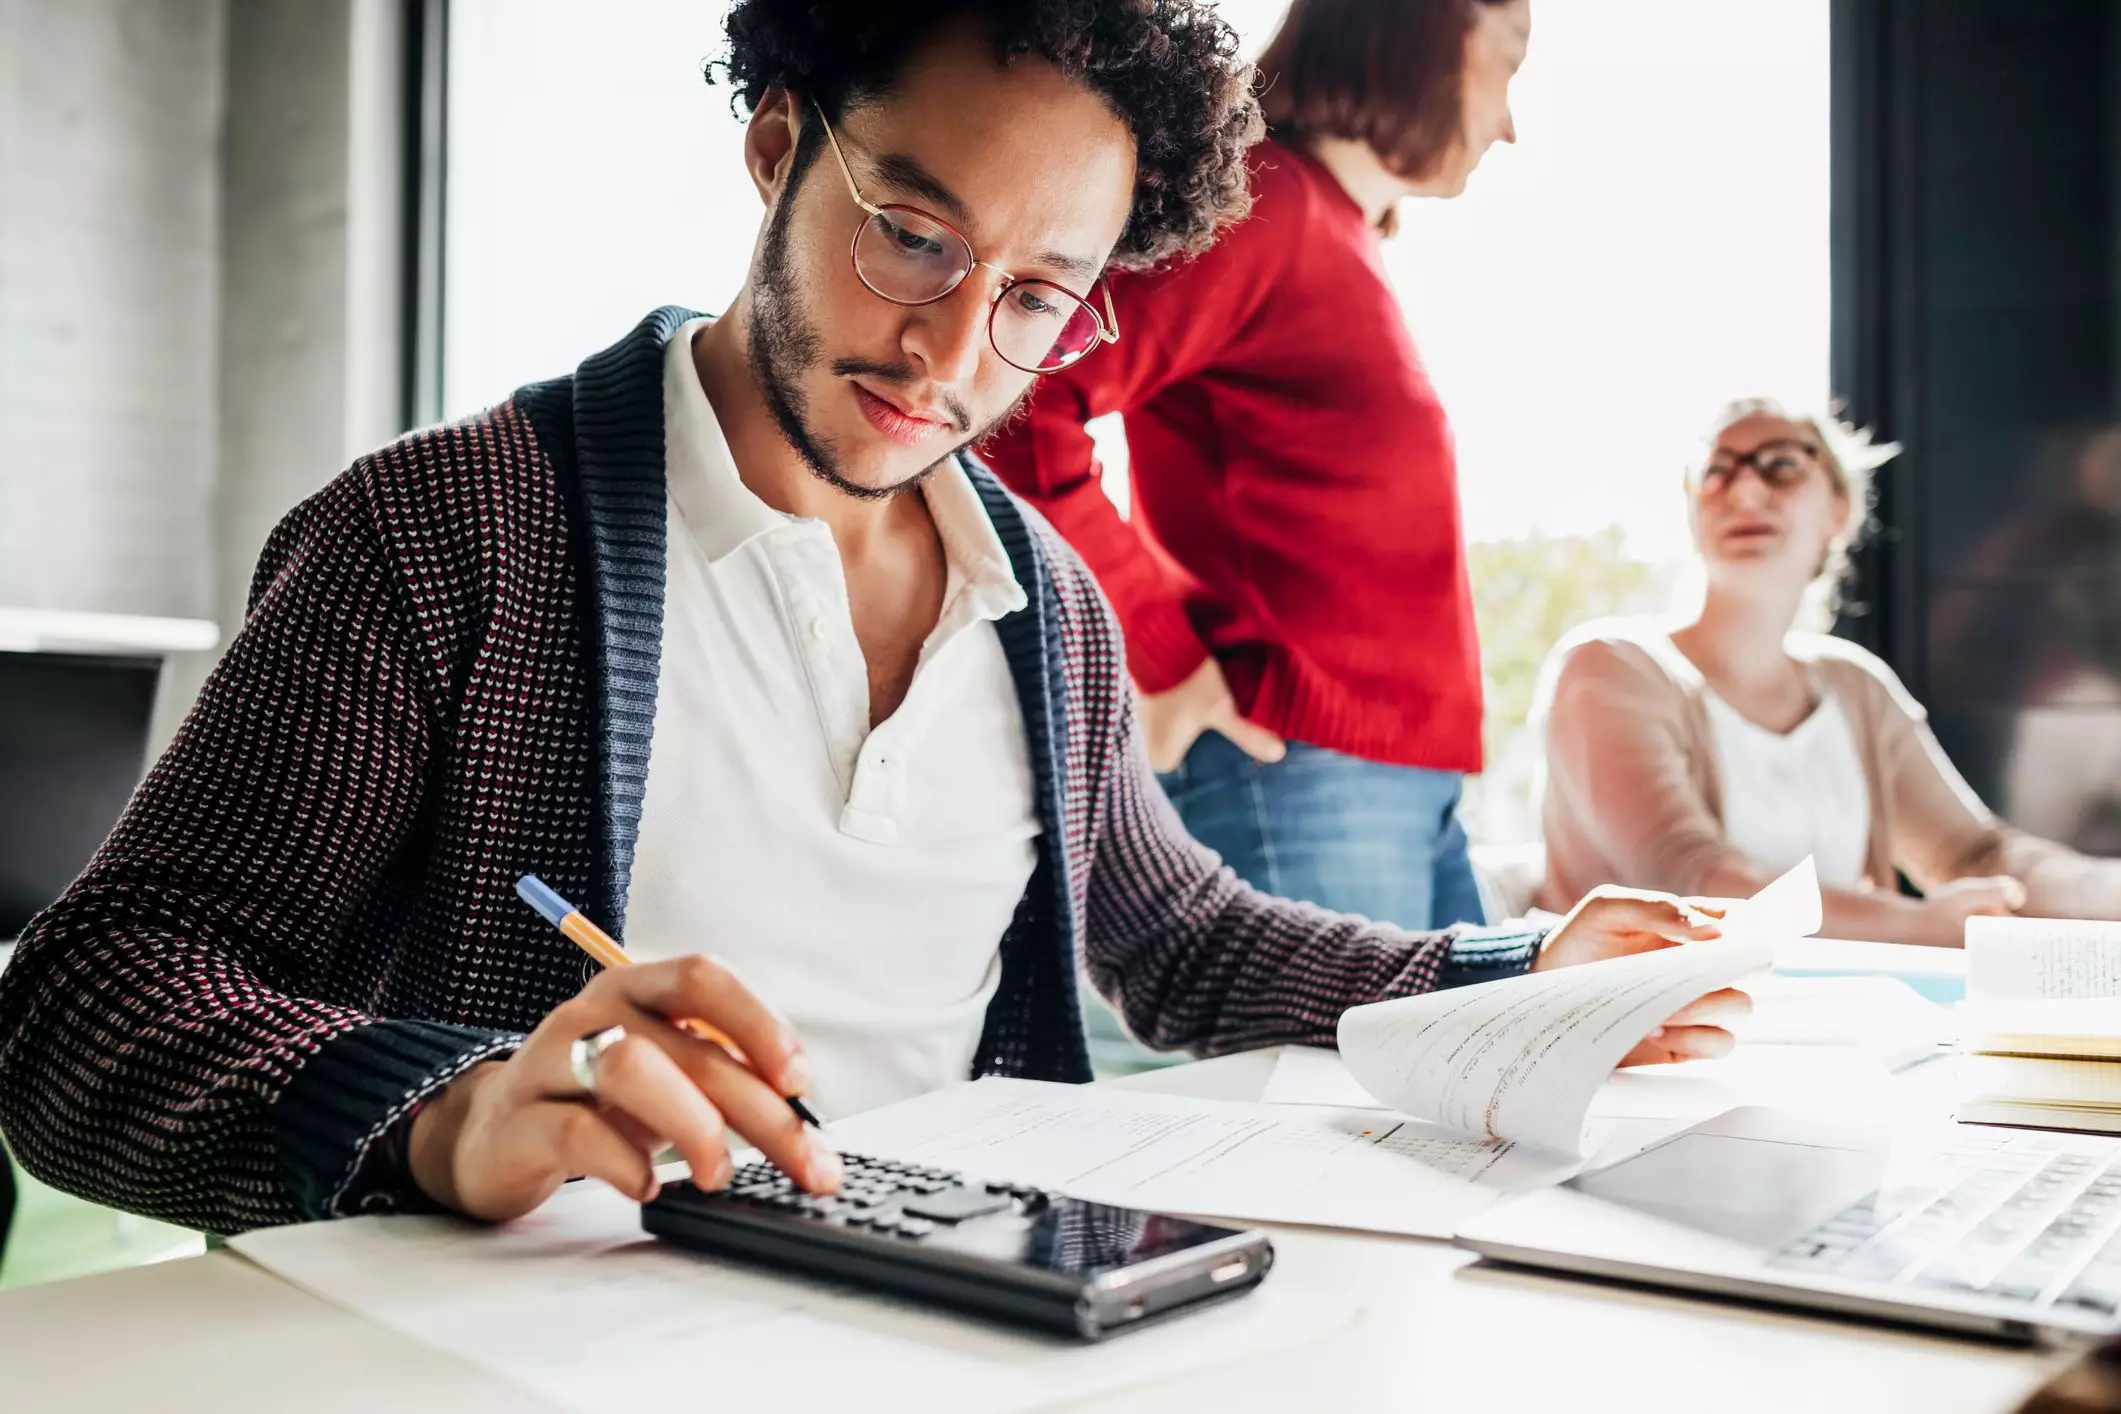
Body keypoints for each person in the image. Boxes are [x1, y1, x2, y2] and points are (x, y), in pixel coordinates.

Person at [0, 0, 1739, 1237]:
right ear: (775, 147)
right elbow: (86, 1003)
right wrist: (444, 1112)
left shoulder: (1039, 601)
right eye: (911, 235)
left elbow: (1181, 937)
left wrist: (1515, 968)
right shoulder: (443, 531)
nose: (948, 348)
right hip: (526, 1347)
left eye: (1038, 299)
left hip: (945, 1333)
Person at [980, 0, 1529, 933]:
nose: (1508, 125)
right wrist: (1164, 656)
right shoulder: (1266, 204)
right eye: (1507, 66)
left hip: (1391, 782)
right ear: (1423, 42)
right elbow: (1018, 404)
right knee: (1333, 1086)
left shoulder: (1328, 227)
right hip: (1302, 771)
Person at [1534, 398, 2121, 945]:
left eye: (1781, 467)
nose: (1744, 490)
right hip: (1649, 1037)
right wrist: (1915, 925)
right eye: (1718, 470)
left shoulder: (1854, 685)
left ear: (1839, 510)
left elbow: (1975, 854)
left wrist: (2104, 890)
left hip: (1827, 1022)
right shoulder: (1609, 665)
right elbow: (1689, 879)